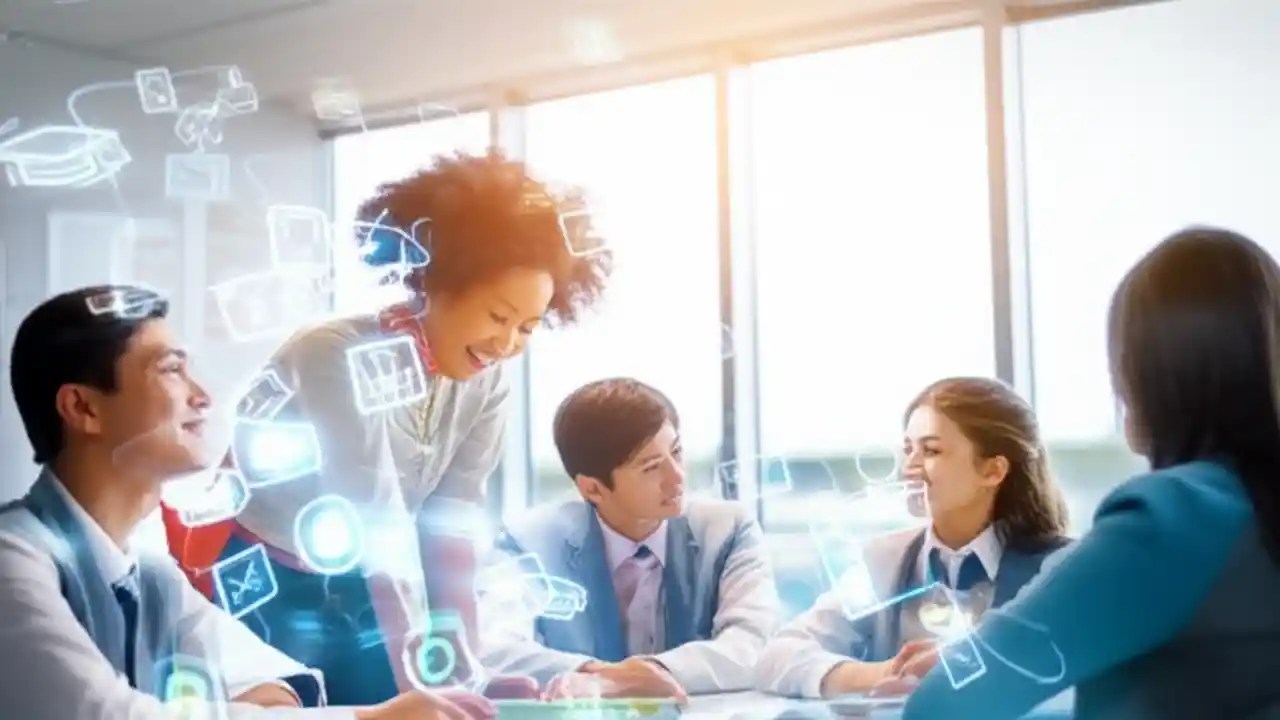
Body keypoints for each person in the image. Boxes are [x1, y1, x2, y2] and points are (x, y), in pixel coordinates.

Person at [161, 151, 612, 705]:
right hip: (261, 578)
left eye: (527, 327)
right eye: (497, 316)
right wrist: (425, 683)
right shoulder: (333, 354)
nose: (507, 344)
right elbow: (379, 521)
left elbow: (451, 526)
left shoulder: (488, 382)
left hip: (362, 585)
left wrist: (461, 669)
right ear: (438, 283)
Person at [0, 285, 495, 720]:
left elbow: (284, 682)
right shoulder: (15, 560)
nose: (203, 396)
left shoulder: (149, 574)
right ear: (83, 408)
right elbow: (108, 715)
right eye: (171, 371)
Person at [893, 227, 1280, 719]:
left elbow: (944, 705)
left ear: (1145, 372)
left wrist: (967, 664)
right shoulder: (1251, 512)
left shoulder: (1171, 519)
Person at [754, 376, 1072, 698]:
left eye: (931, 450)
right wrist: (888, 673)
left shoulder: (1060, 568)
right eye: (908, 449)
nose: (910, 466)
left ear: (992, 471)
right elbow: (778, 655)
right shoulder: (885, 562)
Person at [480, 378, 782, 700]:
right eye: (651, 467)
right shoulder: (528, 542)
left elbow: (753, 644)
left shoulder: (727, 530)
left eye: (676, 452)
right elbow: (492, 648)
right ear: (593, 488)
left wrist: (625, 680)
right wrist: (592, 675)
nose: (677, 478)